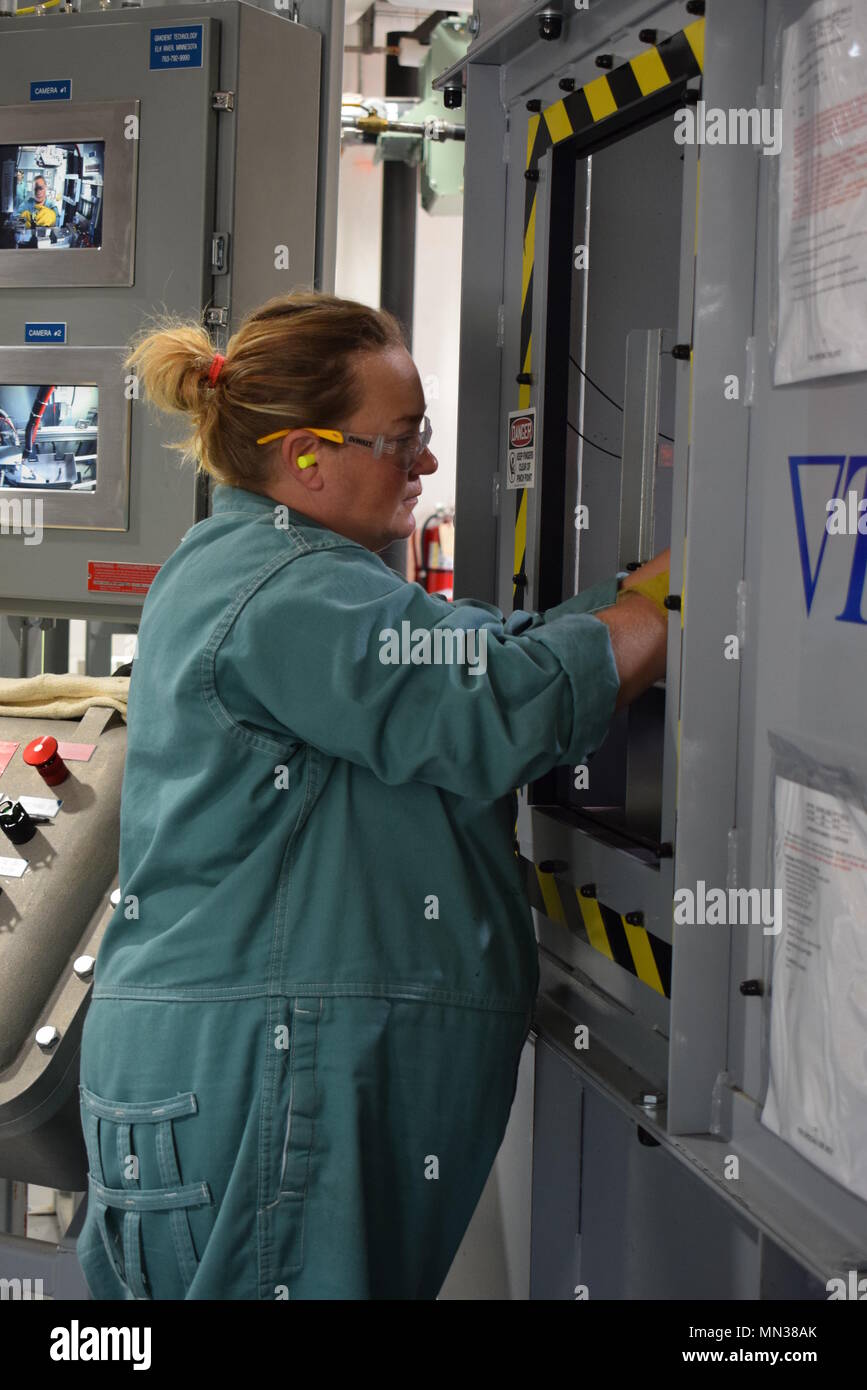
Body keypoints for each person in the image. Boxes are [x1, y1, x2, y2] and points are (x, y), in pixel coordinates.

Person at [76, 290, 669, 1300]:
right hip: (258, 1080)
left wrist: (617, 608)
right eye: (402, 440)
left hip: (228, 1075)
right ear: (306, 456)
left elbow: (468, 655)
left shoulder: (267, 568)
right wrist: (681, 603)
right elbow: (487, 701)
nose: (426, 465)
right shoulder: (285, 588)